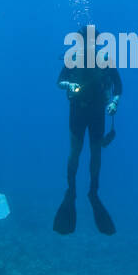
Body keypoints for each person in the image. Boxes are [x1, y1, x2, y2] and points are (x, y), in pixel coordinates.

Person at [53, 28, 122, 235]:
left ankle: (92, 191)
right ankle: (73, 189)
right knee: (76, 151)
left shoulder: (105, 60)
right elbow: (59, 82)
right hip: (79, 111)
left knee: (94, 152)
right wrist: (70, 85)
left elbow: (118, 87)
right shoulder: (72, 58)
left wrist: (114, 103)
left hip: (96, 112)